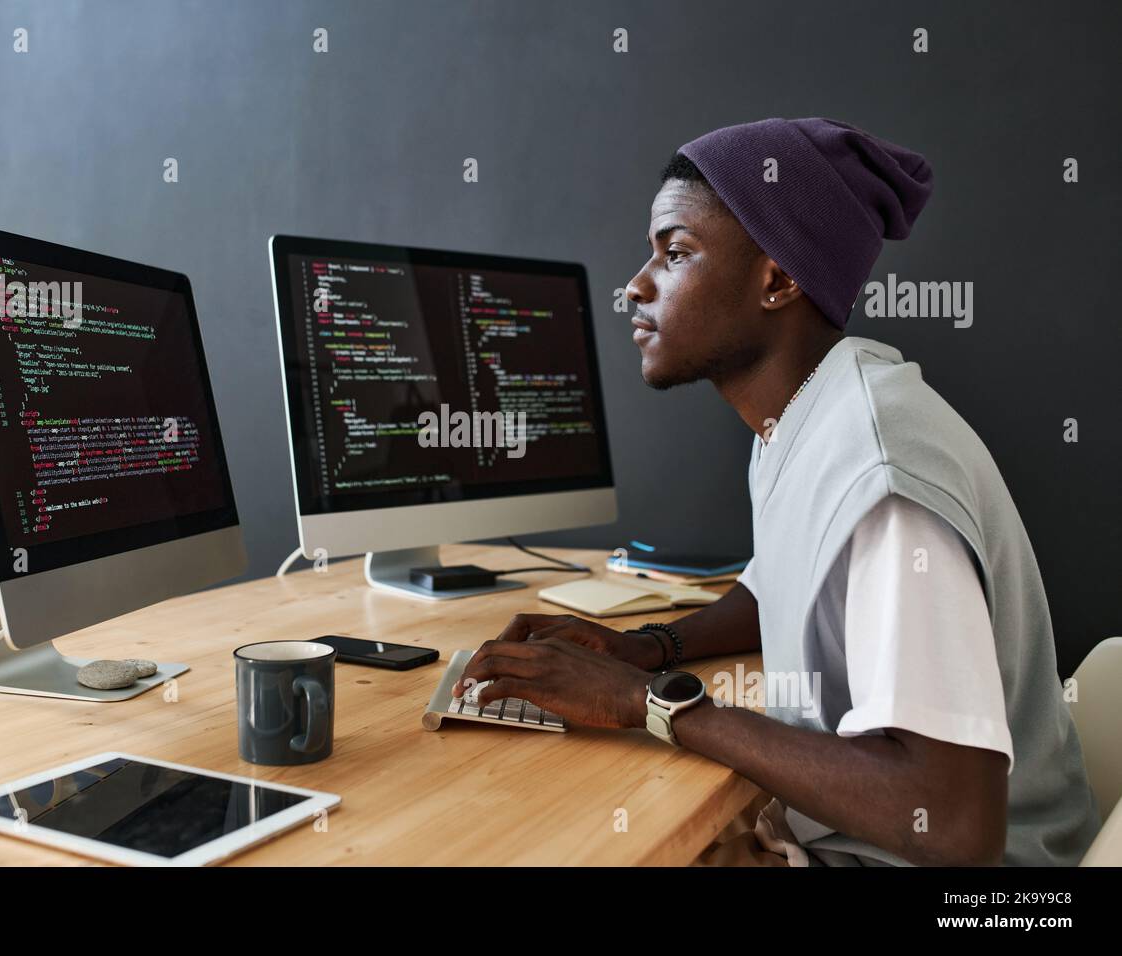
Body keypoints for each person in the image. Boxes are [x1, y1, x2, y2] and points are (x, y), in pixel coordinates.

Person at [458, 117, 1099, 866]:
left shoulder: (880, 476)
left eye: (676, 252)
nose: (636, 285)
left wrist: (648, 703)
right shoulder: (801, 419)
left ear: (779, 279)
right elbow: (781, 588)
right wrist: (643, 648)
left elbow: (952, 821)